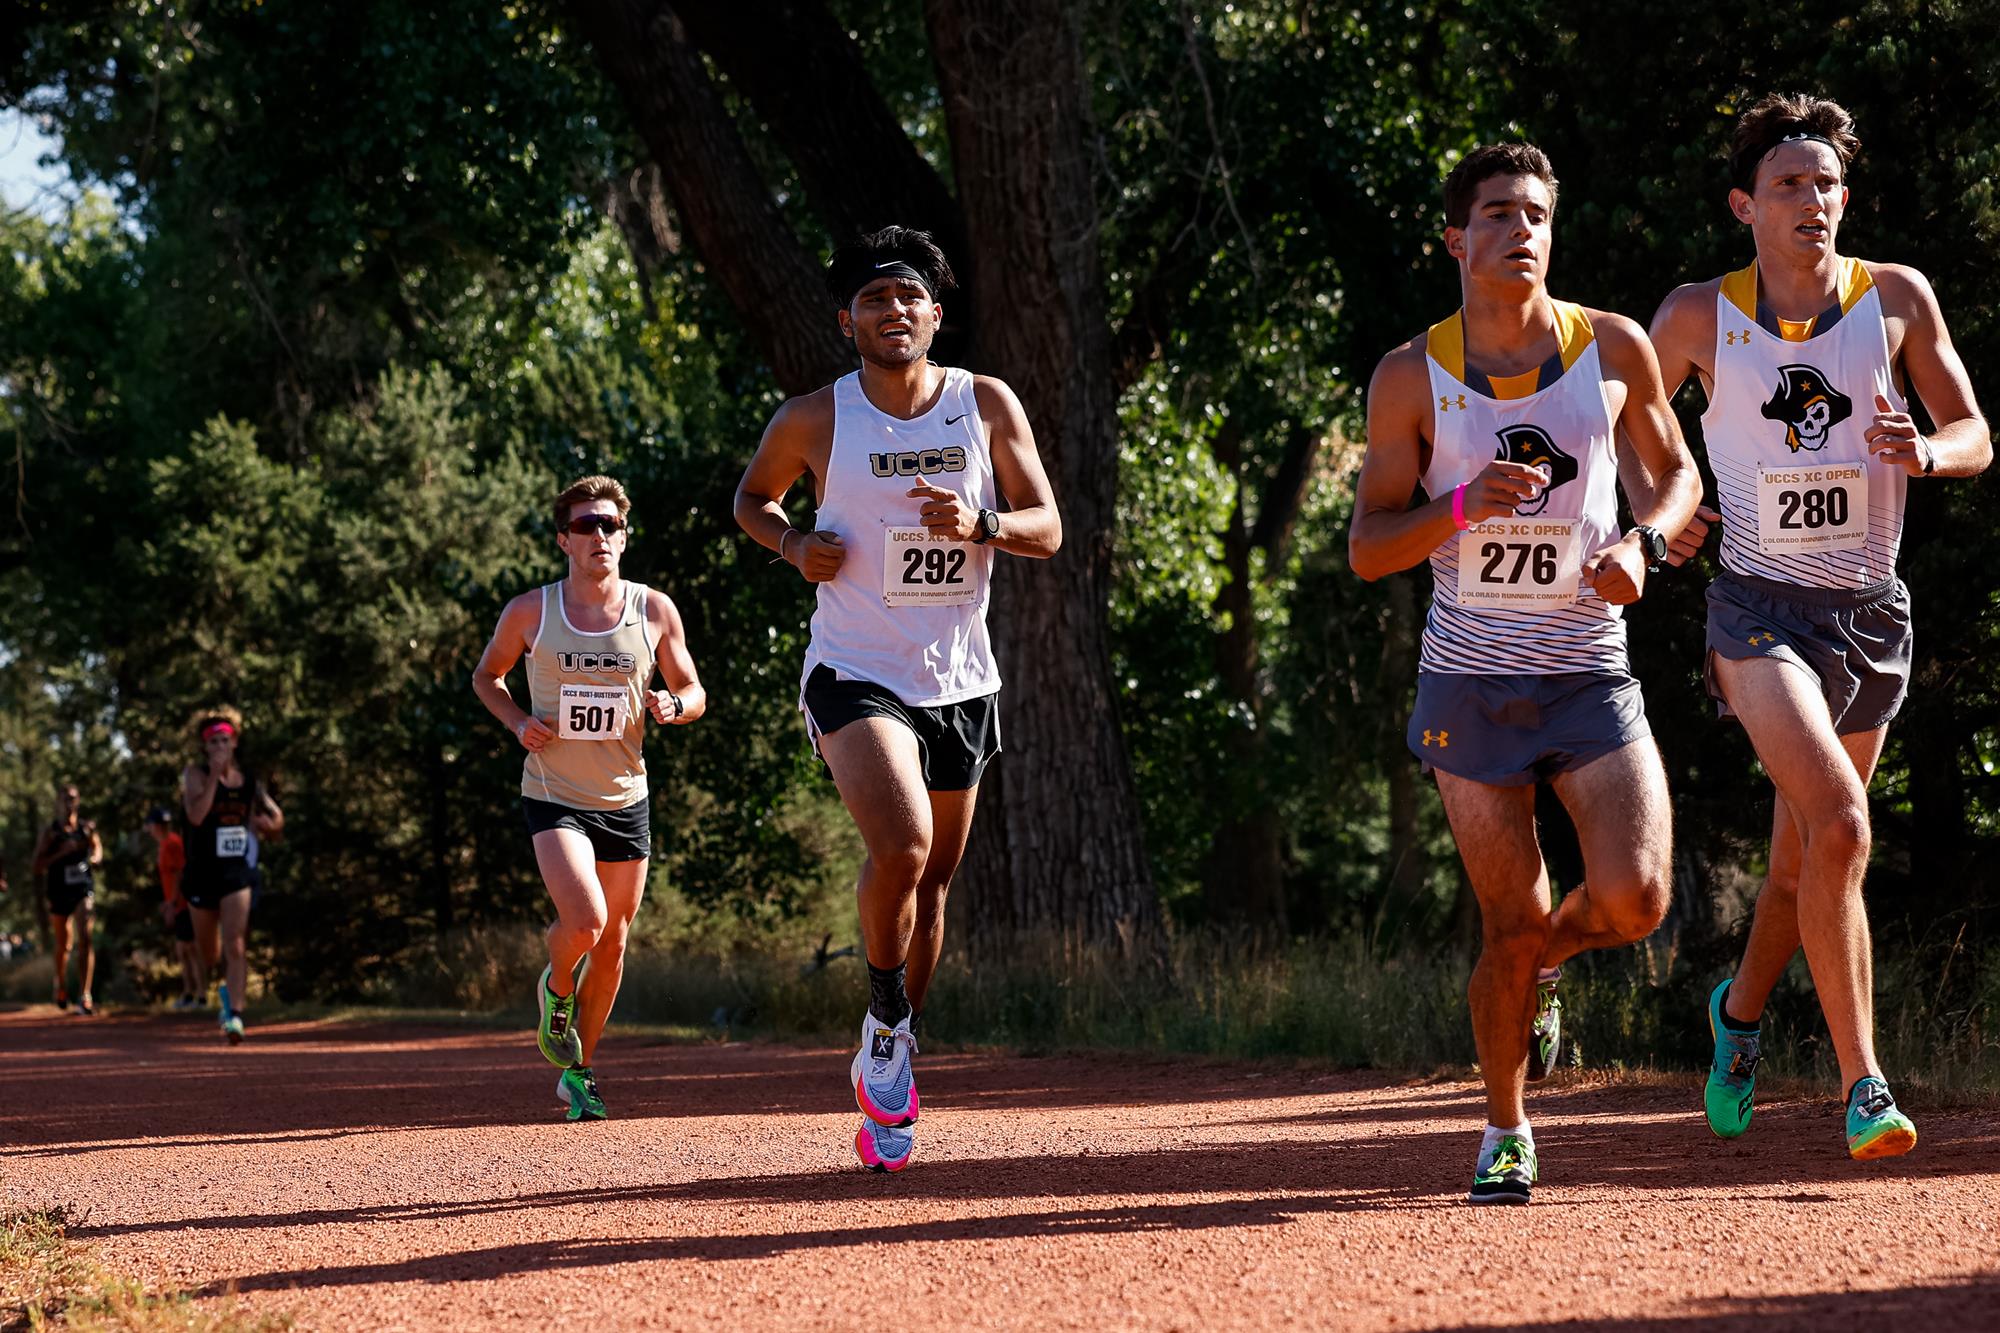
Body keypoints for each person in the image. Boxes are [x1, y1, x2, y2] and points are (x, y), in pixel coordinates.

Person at [1348, 143, 1701, 1203]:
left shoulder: (1613, 348)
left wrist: (1641, 545)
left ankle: (1547, 962)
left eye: (1535, 214)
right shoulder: (1412, 374)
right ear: (1455, 239)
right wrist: (1460, 509)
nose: (1519, 231)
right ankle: (1504, 1127)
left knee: (1636, 898)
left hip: (1586, 671)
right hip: (1469, 681)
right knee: (1504, 920)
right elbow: (1368, 546)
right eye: (1496, 214)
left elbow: (1676, 475)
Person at [1647, 93, 1990, 1159]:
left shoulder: (1892, 298)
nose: (1813, 201)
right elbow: (1624, 423)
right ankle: (1863, 1086)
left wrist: (1924, 452)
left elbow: (1975, 429)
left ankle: (1735, 1017)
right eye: (1789, 185)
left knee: (1801, 858)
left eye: (1827, 184)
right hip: (1754, 609)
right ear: (1743, 204)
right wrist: (1665, 508)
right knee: (1839, 820)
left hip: (1866, 613)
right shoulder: (1699, 315)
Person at [734, 226, 1062, 1172]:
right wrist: (793, 545)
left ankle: (900, 1042)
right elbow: (753, 499)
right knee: (903, 843)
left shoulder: (985, 403)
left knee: (935, 881)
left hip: (961, 676)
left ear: (936, 315)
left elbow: (1048, 527)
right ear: (848, 321)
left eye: (909, 297)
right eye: (874, 300)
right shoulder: (815, 418)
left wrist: (985, 521)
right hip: (855, 669)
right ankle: (882, 1015)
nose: (894, 312)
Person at [472, 474, 706, 1122]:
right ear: (563, 540)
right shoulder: (531, 611)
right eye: (586, 525)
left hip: (626, 796)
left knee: (616, 942)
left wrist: (673, 702)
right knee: (585, 921)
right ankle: (555, 985)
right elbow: (486, 676)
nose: (599, 535)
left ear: (624, 536)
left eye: (609, 525)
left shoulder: (653, 610)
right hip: (555, 792)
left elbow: (694, 689)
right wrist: (519, 722)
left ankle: (580, 1071)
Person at [181, 708, 284, 1043]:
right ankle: (225, 994)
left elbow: (276, 816)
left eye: (225, 740)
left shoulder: (250, 781)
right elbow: (196, 816)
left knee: (236, 944)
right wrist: (214, 776)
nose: (220, 747)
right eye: (213, 742)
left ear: (235, 741)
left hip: (236, 871)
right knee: (209, 954)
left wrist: (269, 825)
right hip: (201, 873)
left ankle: (236, 1015)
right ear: (205, 747)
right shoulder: (195, 775)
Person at [31, 783, 102, 1015]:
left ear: (78, 800)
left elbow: (97, 850)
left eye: (73, 798)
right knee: (64, 945)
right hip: (58, 890)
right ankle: (60, 984)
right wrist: (62, 852)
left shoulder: (86, 829)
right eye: (65, 798)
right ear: (58, 802)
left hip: (82, 888)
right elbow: (37, 866)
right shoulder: (51, 832)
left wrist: (93, 858)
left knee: (86, 937)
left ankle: (85, 994)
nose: (69, 802)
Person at [144, 806, 204, 1008]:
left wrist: (173, 902)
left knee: (190, 949)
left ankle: (200, 995)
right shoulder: (164, 845)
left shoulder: (172, 843)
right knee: (182, 950)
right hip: (177, 903)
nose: (150, 829)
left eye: (151, 825)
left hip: (184, 903)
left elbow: (180, 873)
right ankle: (189, 994)